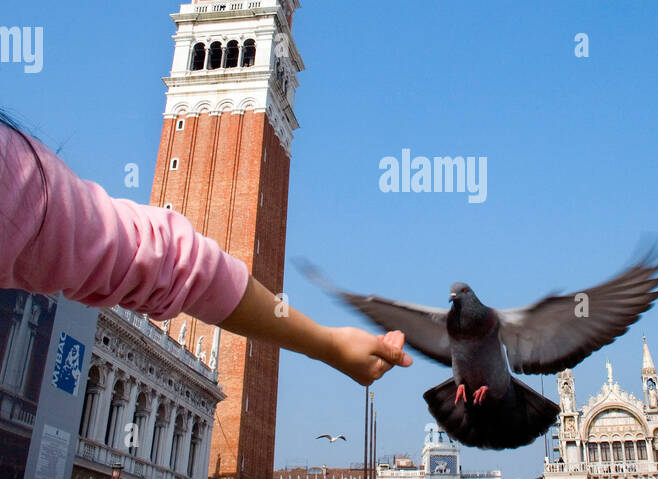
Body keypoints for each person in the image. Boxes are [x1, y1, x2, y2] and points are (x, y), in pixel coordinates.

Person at [0, 113, 412, 388]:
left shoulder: (18, 177)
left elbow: (170, 260)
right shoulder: (18, 172)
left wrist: (332, 345)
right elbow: (170, 259)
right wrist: (329, 345)